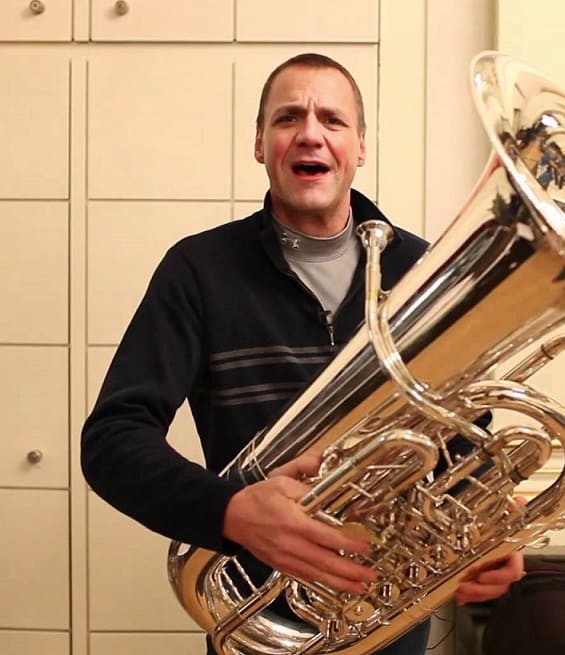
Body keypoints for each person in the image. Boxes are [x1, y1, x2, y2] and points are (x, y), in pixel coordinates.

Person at [81, 52, 524, 655]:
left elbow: (464, 439)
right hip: (255, 624)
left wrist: (487, 528)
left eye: (332, 120)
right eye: (288, 117)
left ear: (359, 147)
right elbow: (112, 441)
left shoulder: (425, 273)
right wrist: (230, 510)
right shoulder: (198, 270)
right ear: (260, 144)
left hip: (391, 622)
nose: (310, 132)